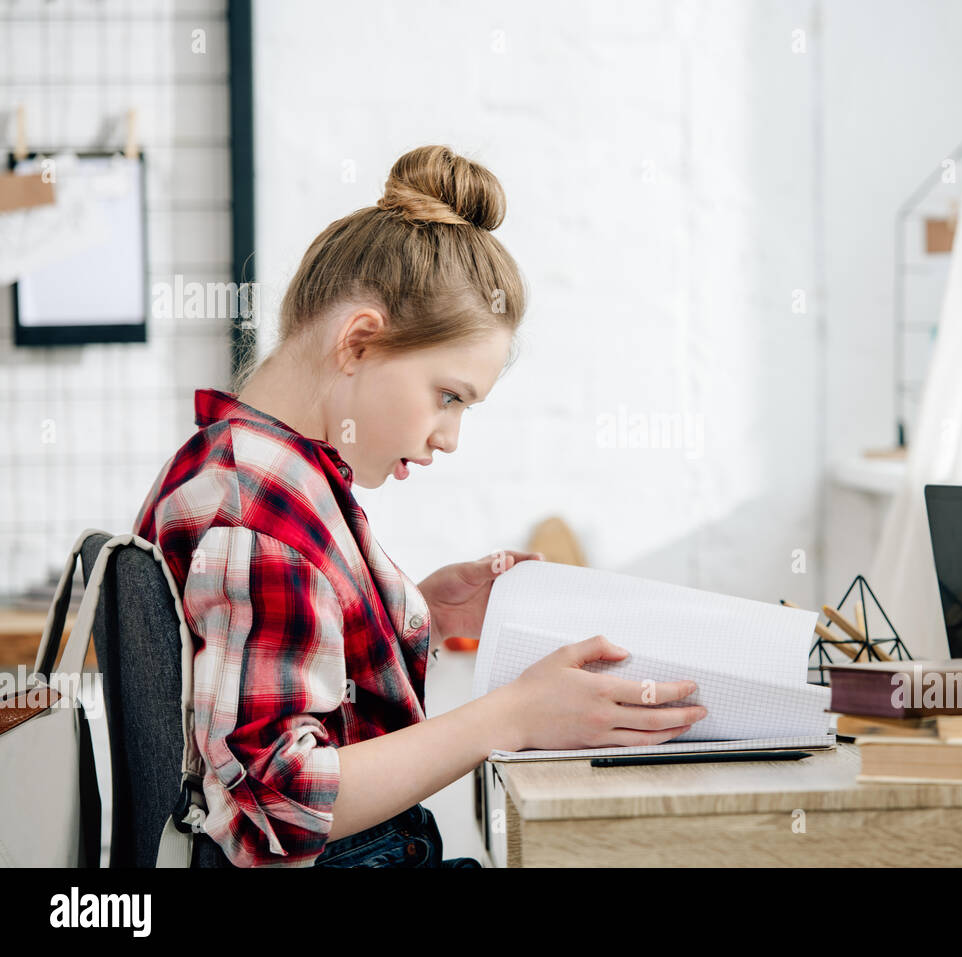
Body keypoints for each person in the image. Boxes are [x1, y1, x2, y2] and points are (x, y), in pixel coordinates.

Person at [133, 145, 707, 868]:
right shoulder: (260, 512)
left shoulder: (260, 468)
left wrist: (427, 613)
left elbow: (279, 671)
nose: (451, 437)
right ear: (361, 341)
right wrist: (514, 716)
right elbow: (280, 803)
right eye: (448, 396)